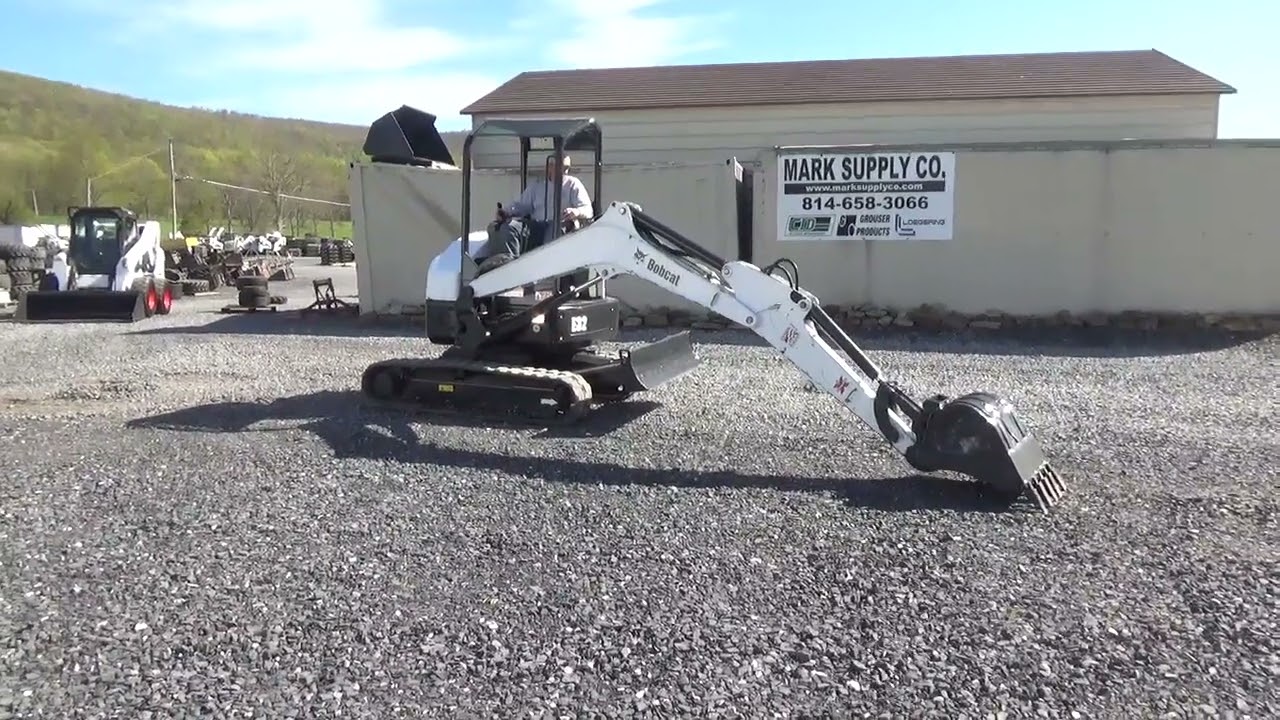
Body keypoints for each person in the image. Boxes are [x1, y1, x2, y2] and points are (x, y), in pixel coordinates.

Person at [488, 153, 593, 258]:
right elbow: (521, 205)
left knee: (553, 232)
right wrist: (506, 212)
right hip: (537, 226)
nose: (565, 171)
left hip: (560, 225)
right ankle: (509, 266)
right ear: (550, 167)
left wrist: (576, 212)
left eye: (567, 168)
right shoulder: (537, 185)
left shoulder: (573, 184)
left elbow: (588, 210)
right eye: (562, 167)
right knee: (508, 227)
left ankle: (547, 268)